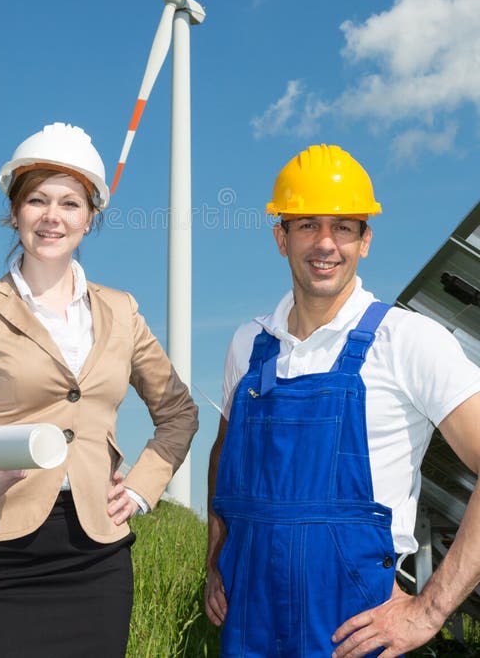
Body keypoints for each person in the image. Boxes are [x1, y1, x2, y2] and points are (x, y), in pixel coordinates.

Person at [0, 121, 198, 658]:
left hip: (96, 557)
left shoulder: (122, 311)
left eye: (70, 204)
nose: (53, 217)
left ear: (90, 216)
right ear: (15, 212)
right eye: (37, 200)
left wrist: (144, 486)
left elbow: (179, 412)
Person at [205, 143, 480, 658]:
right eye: (307, 224)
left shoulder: (407, 341)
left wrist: (429, 611)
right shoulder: (247, 345)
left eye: (344, 227)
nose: (325, 243)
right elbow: (225, 459)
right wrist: (214, 559)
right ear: (280, 237)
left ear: (366, 240)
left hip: (354, 635)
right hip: (247, 626)